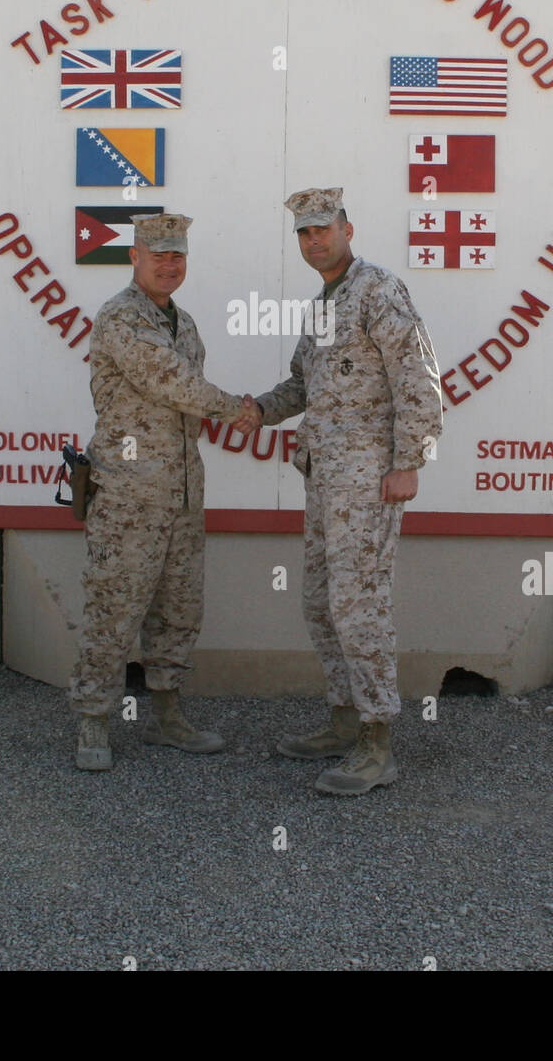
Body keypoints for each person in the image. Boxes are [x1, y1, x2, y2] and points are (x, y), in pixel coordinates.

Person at [244, 188, 443, 796]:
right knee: (321, 600)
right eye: (304, 233)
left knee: (360, 606)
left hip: (368, 478)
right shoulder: (325, 303)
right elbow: (303, 383)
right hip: (326, 477)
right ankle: (342, 720)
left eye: (324, 229)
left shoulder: (377, 289)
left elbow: (417, 375)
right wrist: (253, 410)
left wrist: (409, 461)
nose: (315, 241)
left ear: (348, 228)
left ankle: (377, 741)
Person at [69, 212, 260, 770]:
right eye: (158, 254)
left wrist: (235, 410)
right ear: (134, 257)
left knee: (179, 609)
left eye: (178, 255)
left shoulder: (186, 323)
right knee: (114, 607)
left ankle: (168, 717)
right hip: (129, 495)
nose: (169, 264)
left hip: (180, 493)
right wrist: (239, 409)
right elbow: (171, 382)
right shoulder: (120, 319)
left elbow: (185, 393)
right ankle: (93, 721)